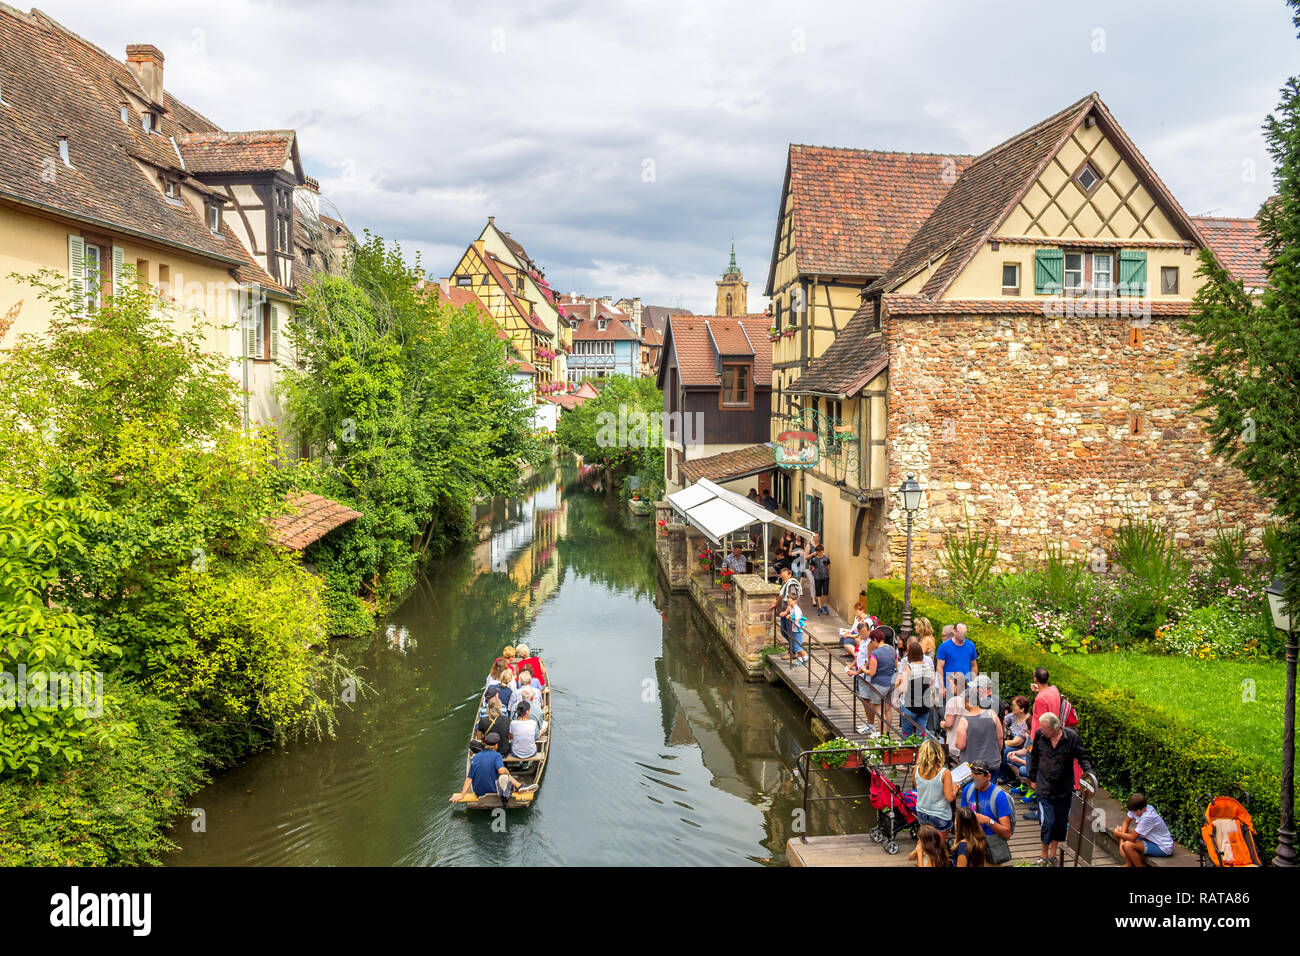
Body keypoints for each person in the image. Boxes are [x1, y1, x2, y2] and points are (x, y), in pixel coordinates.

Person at [1026, 711, 1094, 866]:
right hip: (1044, 787)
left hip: (1064, 788)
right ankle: (1043, 855)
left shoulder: (1071, 738)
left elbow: (1083, 757)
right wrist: (1033, 779)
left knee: (1060, 823)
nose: (1041, 731)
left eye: (1044, 729)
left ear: (1055, 728)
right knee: (1048, 823)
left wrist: (1089, 775)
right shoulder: (1040, 736)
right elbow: (1034, 757)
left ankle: (1052, 855)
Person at [959, 759, 1015, 865]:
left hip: (990, 847)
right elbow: (962, 817)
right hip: (971, 843)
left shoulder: (999, 796)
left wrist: (988, 821)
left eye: (979, 781)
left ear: (988, 777)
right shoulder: (968, 789)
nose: (976, 785)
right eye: (974, 780)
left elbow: (1007, 833)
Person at [450, 732, 534, 803]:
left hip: (478, 794)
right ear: (496, 745)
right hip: (494, 792)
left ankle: (519, 786)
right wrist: (507, 771)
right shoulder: (497, 755)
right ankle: (519, 787)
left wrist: (462, 794)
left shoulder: (475, 757)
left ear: (484, 744)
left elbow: (469, 779)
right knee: (505, 775)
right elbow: (501, 771)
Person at [851, 627, 895, 737]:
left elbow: (871, 673)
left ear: (875, 639)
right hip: (890, 683)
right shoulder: (892, 650)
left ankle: (882, 735)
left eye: (871, 641)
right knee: (888, 710)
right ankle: (887, 733)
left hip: (879, 684)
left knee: (879, 711)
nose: (871, 643)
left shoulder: (875, 654)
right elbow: (895, 665)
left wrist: (863, 669)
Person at [955, 676, 1004, 771]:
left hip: (975, 763)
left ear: (981, 689)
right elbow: (1000, 735)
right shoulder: (996, 701)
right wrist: (997, 755)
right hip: (992, 760)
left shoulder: (987, 705)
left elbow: (981, 731)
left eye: (974, 688)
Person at [1112, 792, 1174, 866]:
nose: (1133, 813)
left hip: (1162, 847)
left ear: (1143, 809)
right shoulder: (1137, 808)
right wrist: (1121, 841)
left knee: (1128, 845)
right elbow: (1126, 822)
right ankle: (1129, 864)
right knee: (1121, 830)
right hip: (1148, 838)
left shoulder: (1148, 817)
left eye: (1135, 811)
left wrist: (1116, 833)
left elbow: (1132, 838)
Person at [912, 739, 955, 834]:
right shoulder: (944, 773)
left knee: (926, 839)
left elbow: (916, 786)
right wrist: (955, 789)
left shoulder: (916, 769)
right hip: (939, 814)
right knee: (938, 843)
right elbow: (950, 797)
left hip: (922, 811)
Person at [897, 637, 935, 738]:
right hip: (925, 706)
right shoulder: (927, 666)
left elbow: (903, 688)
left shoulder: (908, 667)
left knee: (906, 733)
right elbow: (932, 684)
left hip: (910, 705)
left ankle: (907, 747)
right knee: (921, 734)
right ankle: (921, 748)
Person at [935, 621, 978, 691]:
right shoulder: (944, 646)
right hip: (949, 686)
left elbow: (973, 666)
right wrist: (942, 687)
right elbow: (939, 667)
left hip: (966, 687)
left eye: (965, 633)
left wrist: (973, 683)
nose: (963, 635)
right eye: (961, 633)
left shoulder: (971, 645)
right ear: (954, 631)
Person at [1002, 695, 1032, 787]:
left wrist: (999, 743)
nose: (1012, 707)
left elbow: (1017, 742)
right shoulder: (1013, 716)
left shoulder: (1027, 721)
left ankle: (1009, 777)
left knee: (1006, 750)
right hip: (1012, 743)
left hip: (1022, 746)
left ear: (1022, 709)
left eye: (1014, 706)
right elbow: (1001, 721)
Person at [771, 567, 801, 647]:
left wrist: (786, 612)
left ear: (790, 575)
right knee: (783, 631)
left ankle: (793, 650)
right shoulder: (784, 583)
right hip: (784, 612)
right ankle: (794, 648)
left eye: (785, 576)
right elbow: (780, 595)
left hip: (789, 614)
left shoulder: (791, 585)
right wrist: (775, 604)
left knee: (789, 632)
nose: (783, 578)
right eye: (782, 576)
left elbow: (791, 600)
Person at [942, 672, 969, 754]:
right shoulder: (971, 700)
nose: (949, 688)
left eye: (951, 685)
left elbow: (949, 724)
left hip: (955, 744)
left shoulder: (954, 701)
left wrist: (942, 724)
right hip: (968, 745)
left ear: (957, 686)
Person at [780, 591, 809, 666]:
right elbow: (792, 614)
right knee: (796, 646)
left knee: (797, 647)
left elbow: (797, 619)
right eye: (788, 600)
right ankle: (799, 660)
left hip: (797, 631)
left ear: (795, 601)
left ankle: (805, 657)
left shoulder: (797, 609)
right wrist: (789, 615)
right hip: (793, 630)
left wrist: (790, 616)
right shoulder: (791, 607)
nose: (788, 602)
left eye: (790, 600)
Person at [809, 545, 831, 615]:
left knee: (825, 592)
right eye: (818, 552)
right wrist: (814, 572)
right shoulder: (814, 560)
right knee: (818, 592)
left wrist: (827, 573)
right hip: (817, 578)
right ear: (816, 552)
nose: (820, 553)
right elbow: (812, 567)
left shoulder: (826, 558)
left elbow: (829, 566)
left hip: (825, 577)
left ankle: (824, 605)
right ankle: (820, 607)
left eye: (821, 552)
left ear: (823, 551)